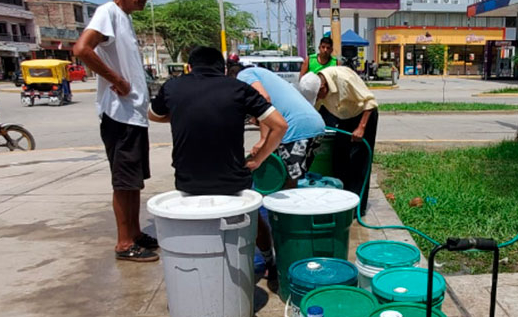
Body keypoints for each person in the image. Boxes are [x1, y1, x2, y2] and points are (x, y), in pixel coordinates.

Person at [73, 0, 162, 262]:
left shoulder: (123, 18)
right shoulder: (108, 12)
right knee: (123, 181)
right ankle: (124, 243)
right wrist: (118, 80)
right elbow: (82, 49)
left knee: (133, 180)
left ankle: (135, 233)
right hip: (119, 115)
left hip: (132, 115)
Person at [229, 56, 326, 277]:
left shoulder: (244, 76)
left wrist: (263, 142)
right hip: (313, 125)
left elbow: (264, 100)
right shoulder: (262, 74)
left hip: (297, 130)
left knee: (285, 192)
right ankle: (289, 244)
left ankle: (286, 247)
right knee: (288, 187)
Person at [148, 47, 287, 196]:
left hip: (187, 183)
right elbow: (280, 126)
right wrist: (258, 160)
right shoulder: (240, 89)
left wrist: (181, 114)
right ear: (224, 69)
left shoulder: (172, 86)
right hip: (233, 183)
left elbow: (152, 115)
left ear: (189, 68)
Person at [297, 66, 379, 214]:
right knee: (340, 159)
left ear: (323, 87)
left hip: (363, 115)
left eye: (319, 96)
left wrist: (361, 127)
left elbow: (370, 102)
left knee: (358, 163)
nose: (319, 99)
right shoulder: (315, 84)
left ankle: (357, 208)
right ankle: (343, 204)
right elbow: (313, 111)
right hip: (344, 117)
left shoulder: (344, 80)